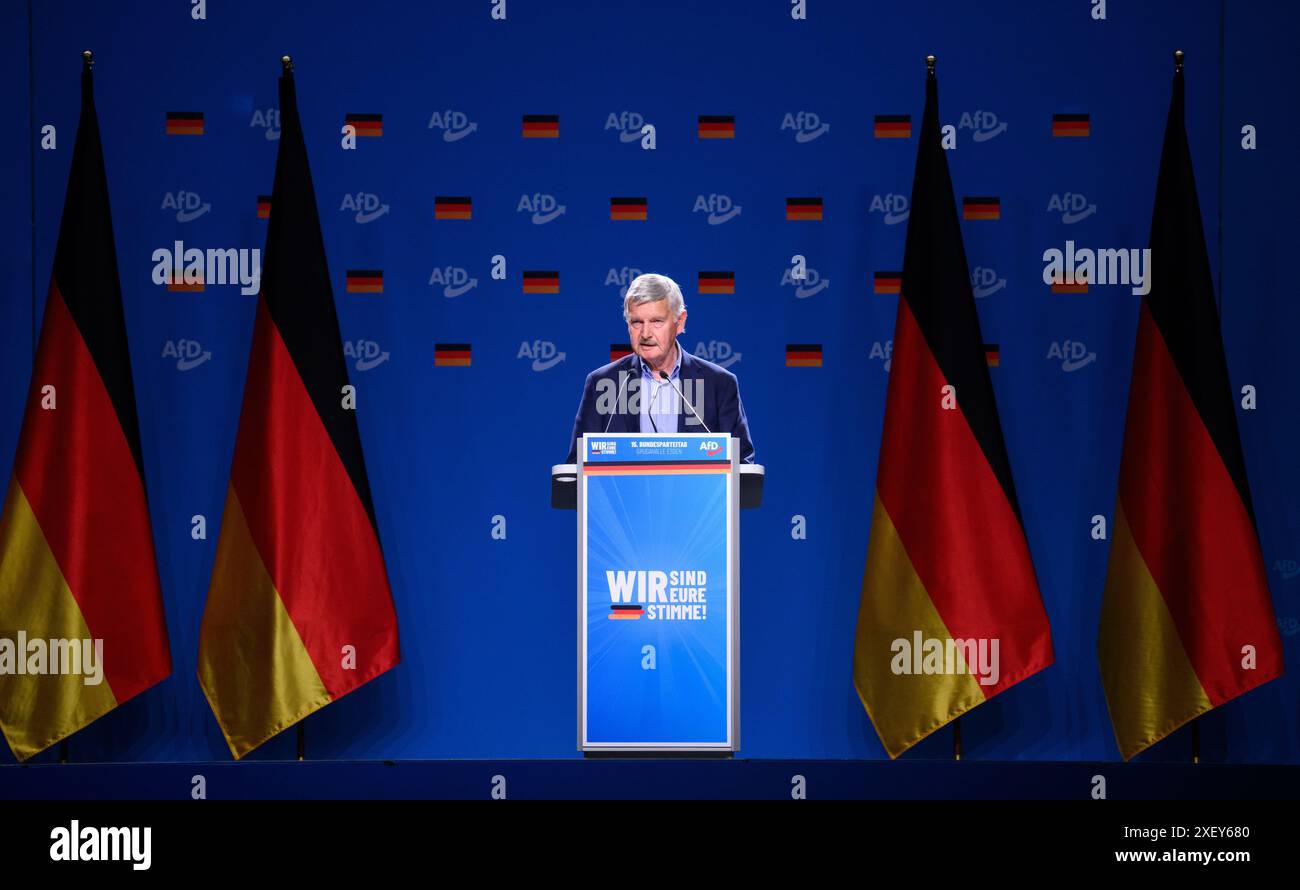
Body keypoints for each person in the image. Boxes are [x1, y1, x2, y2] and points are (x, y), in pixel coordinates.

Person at [564, 272, 755, 464]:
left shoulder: (719, 384)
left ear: (680, 322)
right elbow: (577, 465)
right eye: (637, 322)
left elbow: (742, 465)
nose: (645, 333)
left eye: (656, 322)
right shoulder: (603, 383)